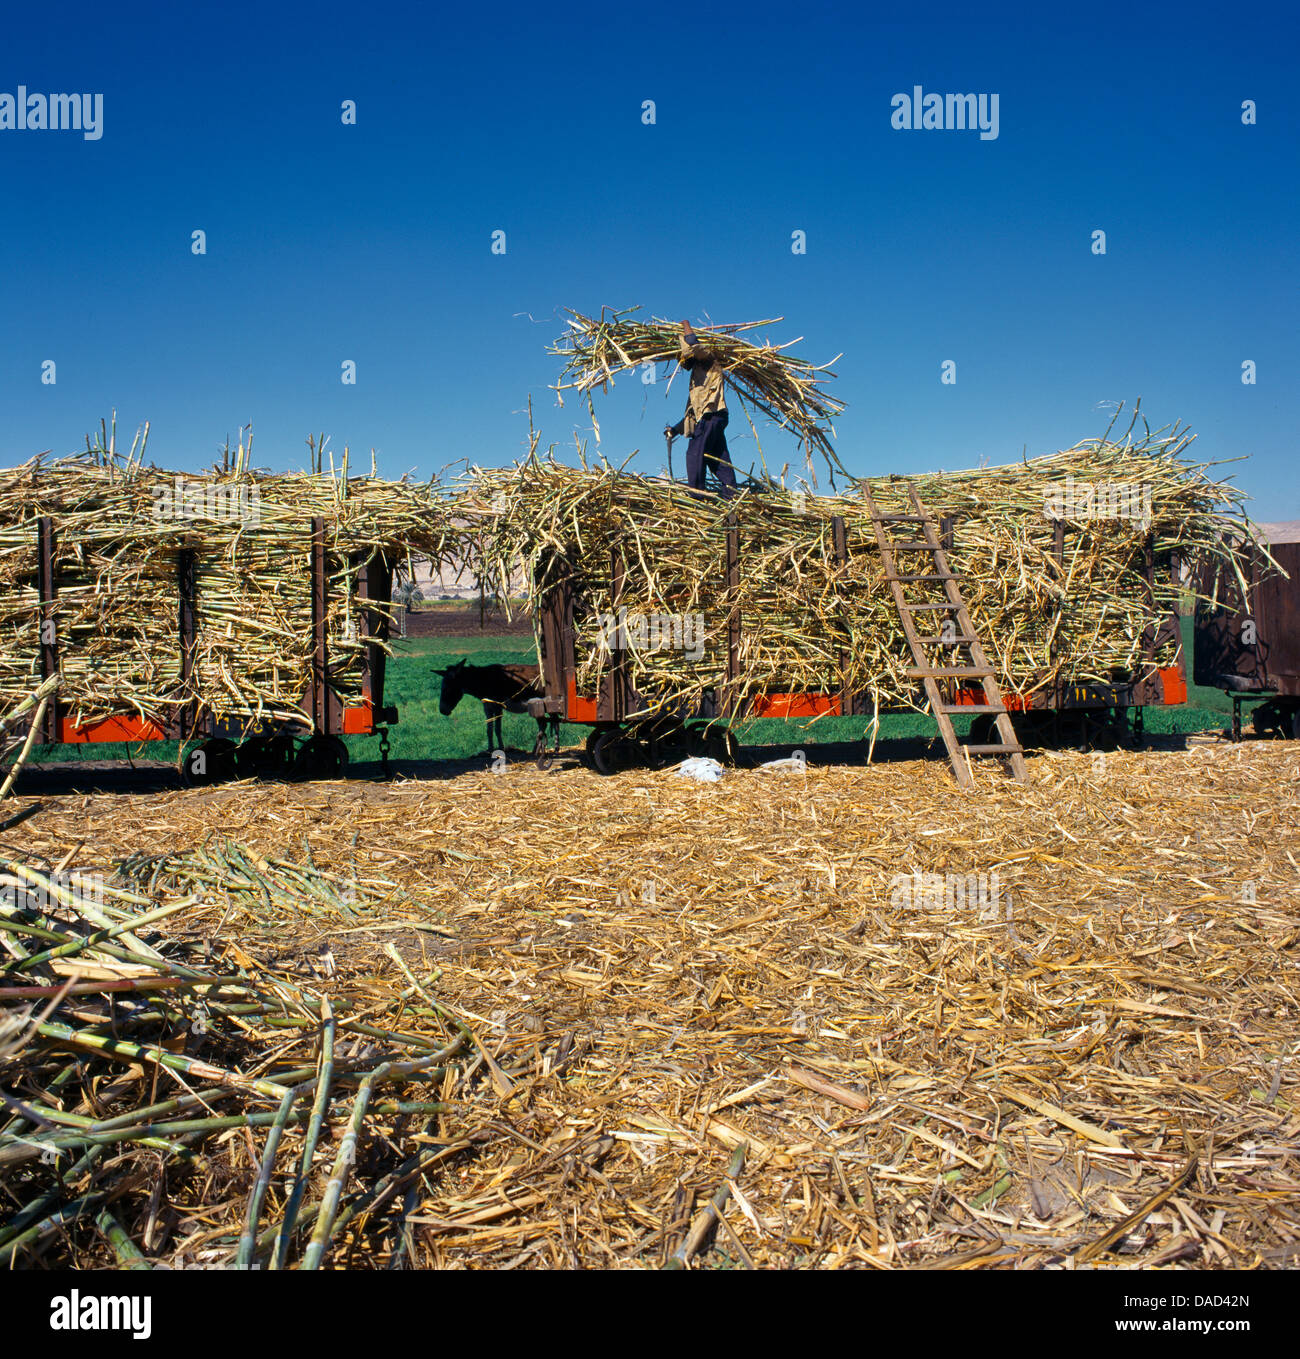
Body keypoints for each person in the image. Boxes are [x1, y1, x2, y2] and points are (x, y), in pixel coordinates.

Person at [664, 320, 738, 498]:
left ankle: (697, 497)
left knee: (694, 455)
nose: (683, 363)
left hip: (711, 417)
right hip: (714, 419)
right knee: (717, 459)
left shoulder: (708, 359)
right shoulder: (696, 380)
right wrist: (674, 430)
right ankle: (732, 498)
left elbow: (694, 345)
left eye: (684, 359)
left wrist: (685, 325)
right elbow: (692, 416)